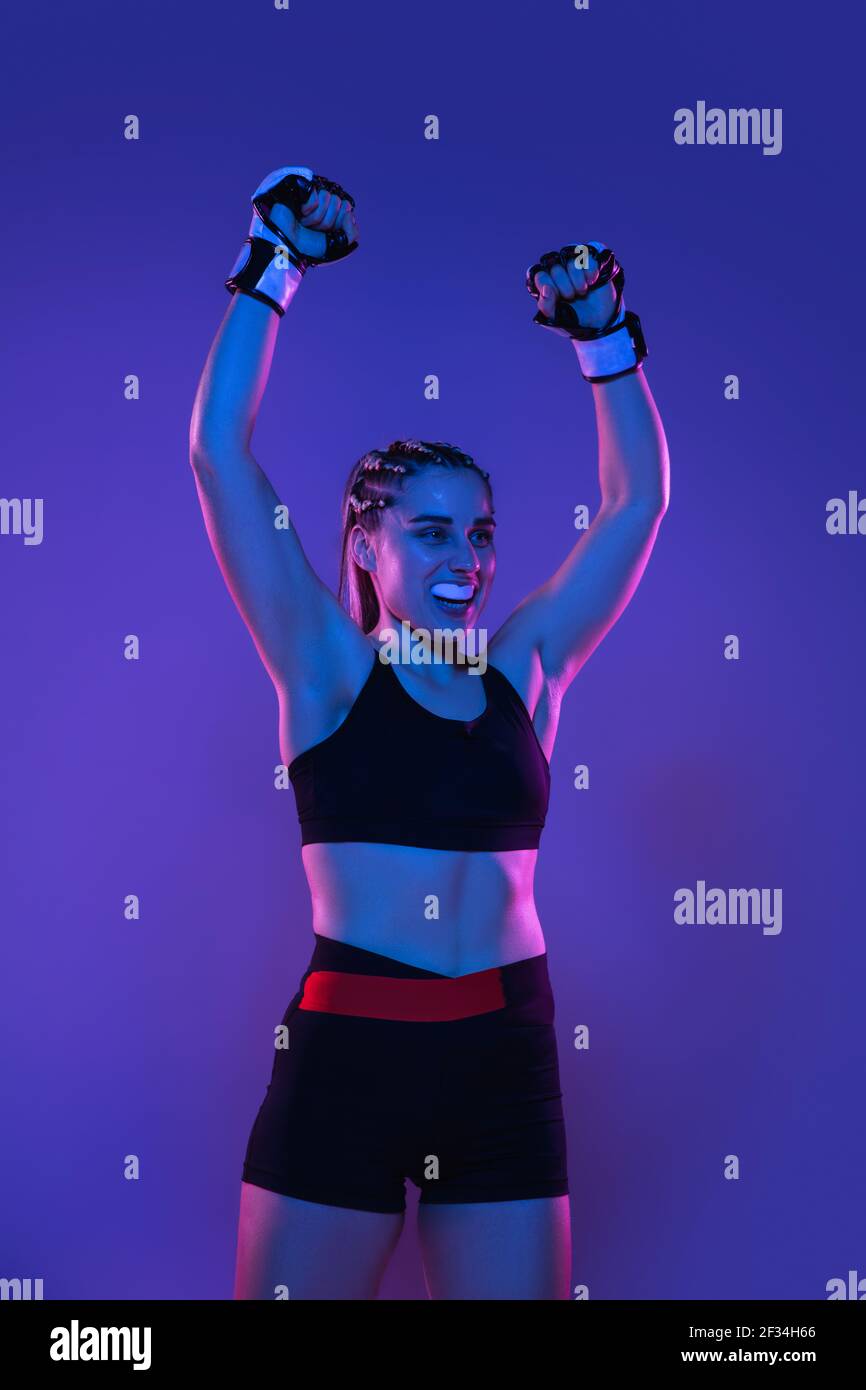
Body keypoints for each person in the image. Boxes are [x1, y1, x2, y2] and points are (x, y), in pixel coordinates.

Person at [189, 167, 669, 1300]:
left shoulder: (525, 668)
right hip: (350, 1054)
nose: (468, 559)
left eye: (483, 535)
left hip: (503, 1058)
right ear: (364, 544)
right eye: (433, 531)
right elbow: (218, 454)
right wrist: (274, 266)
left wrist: (602, 339)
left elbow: (635, 505)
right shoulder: (323, 666)